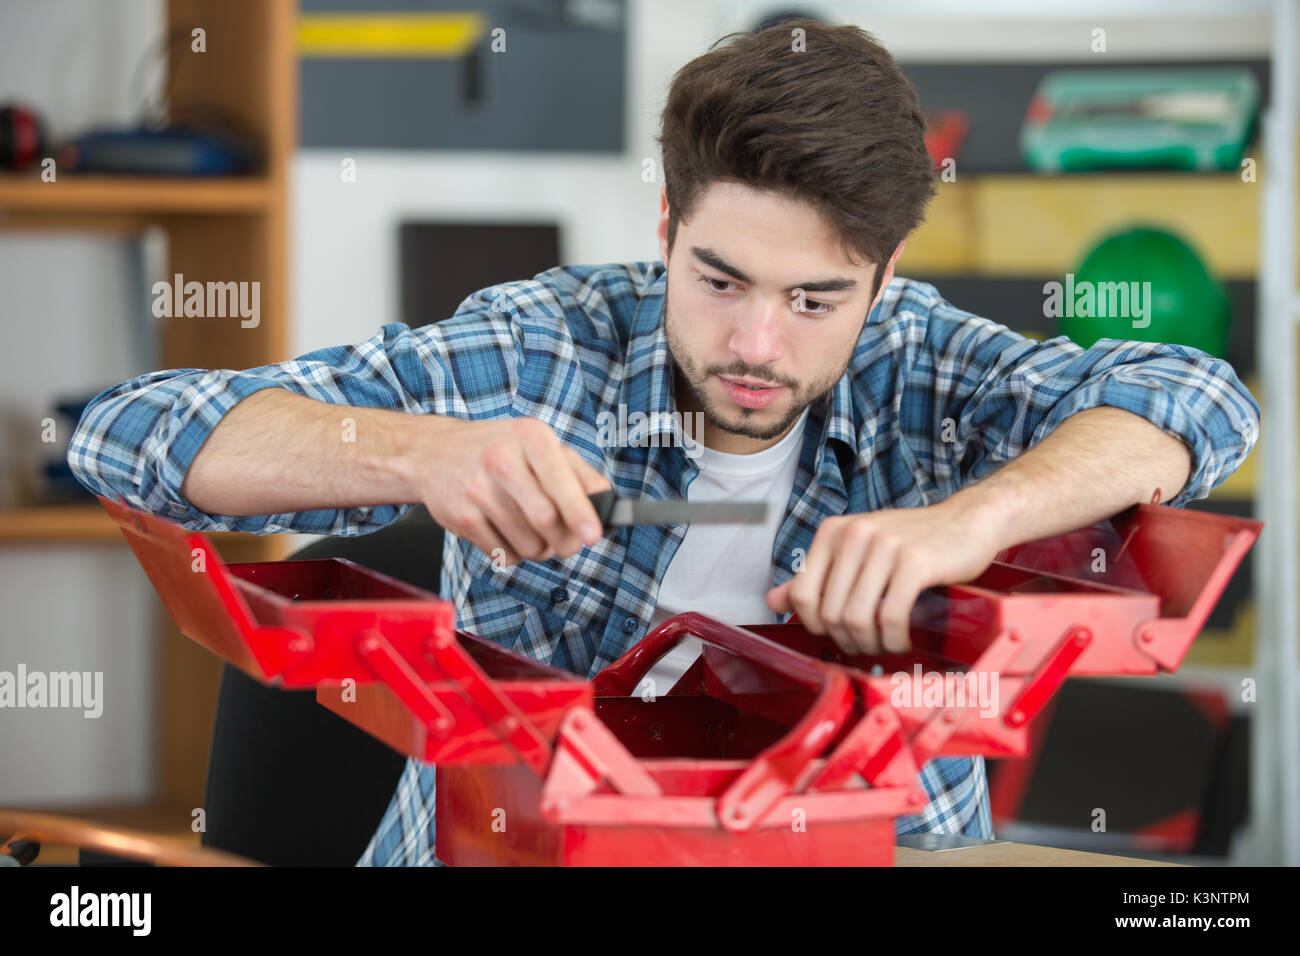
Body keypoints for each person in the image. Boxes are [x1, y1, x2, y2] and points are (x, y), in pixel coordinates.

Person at [68, 19, 1260, 866]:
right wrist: (414, 453)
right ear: (665, 225)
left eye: (813, 300)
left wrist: (975, 518)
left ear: (884, 277)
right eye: (720, 277)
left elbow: (1199, 403)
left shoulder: (921, 364)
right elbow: (129, 433)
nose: (757, 344)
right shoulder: (546, 345)